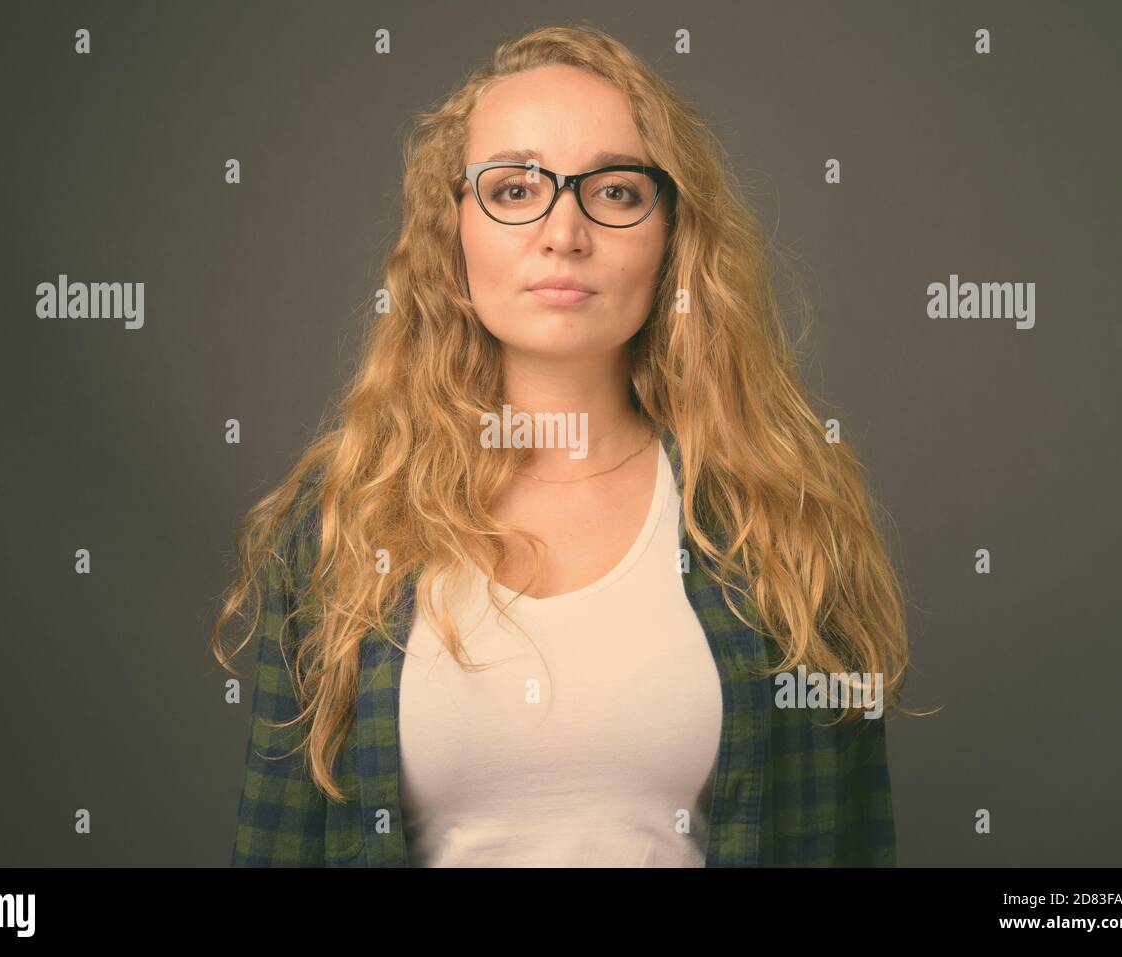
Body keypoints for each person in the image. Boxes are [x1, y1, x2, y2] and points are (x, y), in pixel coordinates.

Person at [212, 23, 910, 867]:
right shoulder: (341, 529)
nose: (563, 232)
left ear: (672, 236)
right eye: (515, 189)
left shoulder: (781, 522)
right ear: (453, 229)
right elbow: (275, 852)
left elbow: (847, 848)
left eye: (614, 192)